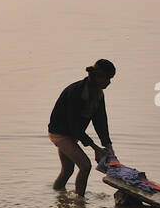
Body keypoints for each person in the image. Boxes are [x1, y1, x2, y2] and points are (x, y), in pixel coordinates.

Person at [48, 59, 116, 196]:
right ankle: (80, 203)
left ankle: (56, 195)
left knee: (67, 170)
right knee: (85, 166)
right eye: (107, 78)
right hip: (60, 133)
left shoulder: (98, 93)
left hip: (72, 134)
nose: (109, 82)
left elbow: (101, 121)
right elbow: (74, 126)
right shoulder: (76, 92)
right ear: (97, 76)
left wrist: (108, 146)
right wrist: (96, 148)